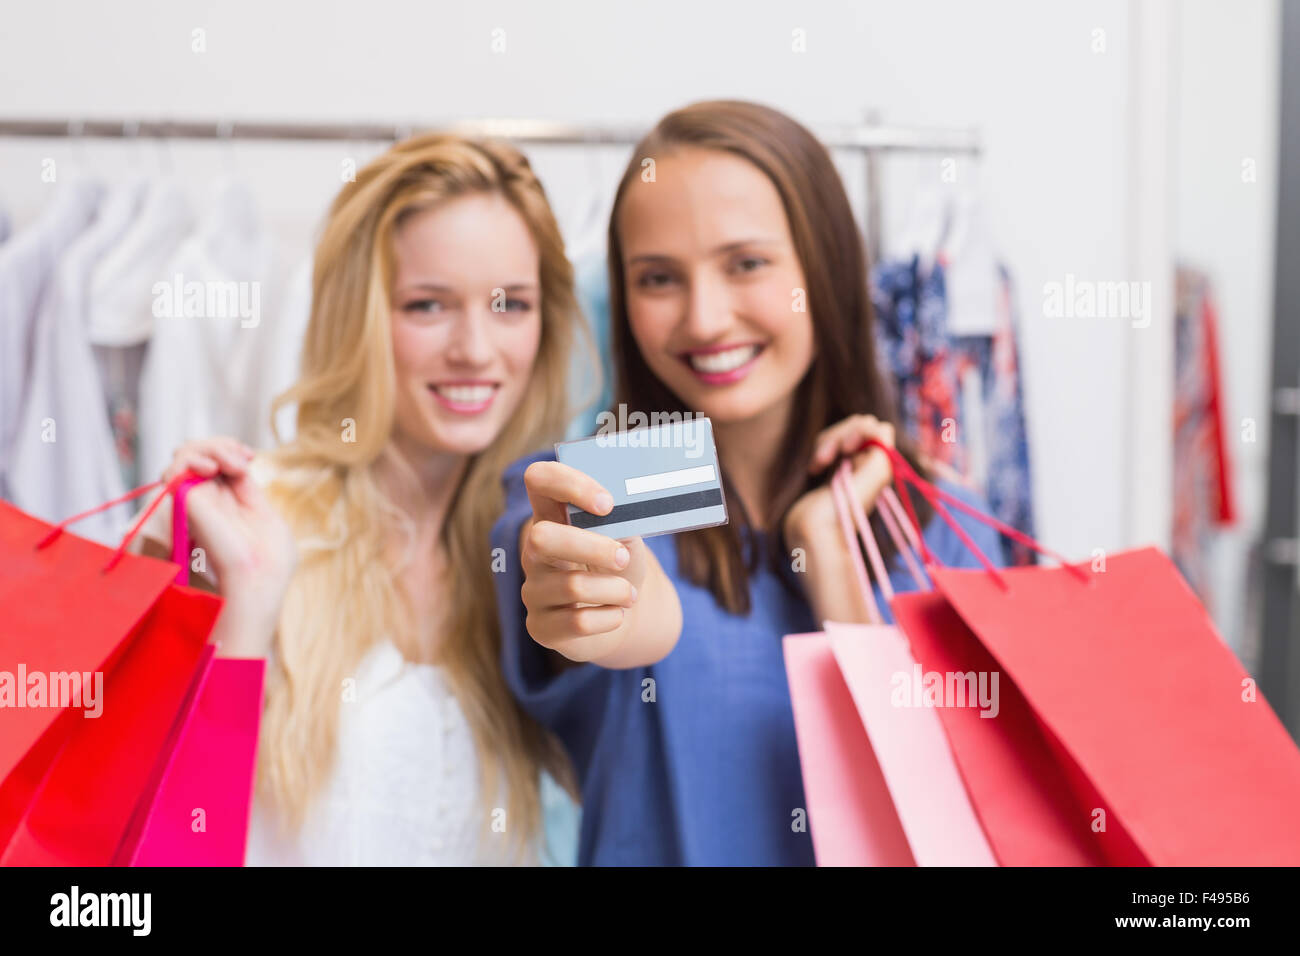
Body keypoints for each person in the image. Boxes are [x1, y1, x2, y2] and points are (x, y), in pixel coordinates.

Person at [492, 100, 1006, 865]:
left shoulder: (943, 523)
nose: (705, 319)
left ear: (825, 270)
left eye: (746, 264)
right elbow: (618, 607)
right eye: (658, 278)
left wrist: (830, 562)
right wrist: (617, 606)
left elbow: (944, 824)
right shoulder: (586, 493)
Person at [139, 133, 588, 865]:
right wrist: (234, 603)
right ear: (358, 317)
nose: (476, 349)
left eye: (510, 304)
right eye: (428, 305)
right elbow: (162, 847)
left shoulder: (525, 559)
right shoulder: (245, 526)